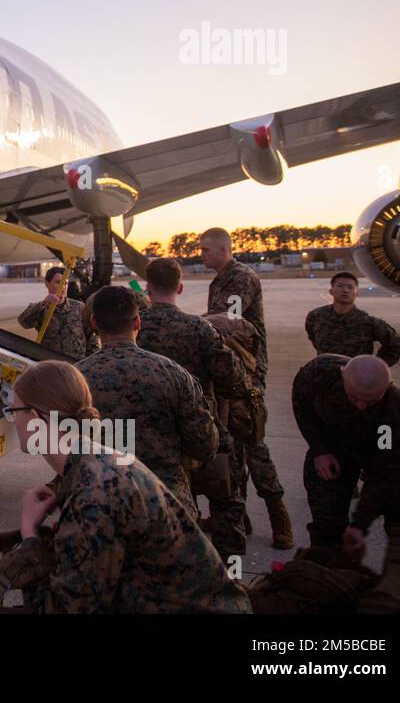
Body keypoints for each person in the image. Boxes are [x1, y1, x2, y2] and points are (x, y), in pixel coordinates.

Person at [0, 361, 250, 612]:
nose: (13, 421)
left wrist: (29, 534)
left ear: (34, 418)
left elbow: (65, 609)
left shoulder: (93, 493)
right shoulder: (99, 460)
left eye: (13, 412)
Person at [135, 258, 247, 557]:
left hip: (149, 438)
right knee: (226, 502)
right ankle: (229, 574)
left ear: (148, 288)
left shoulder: (136, 328)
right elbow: (231, 379)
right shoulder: (200, 328)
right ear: (180, 288)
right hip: (201, 432)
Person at [75, 286, 218, 518]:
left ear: (93, 323)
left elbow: (58, 446)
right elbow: (205, 444)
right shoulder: (174, 374)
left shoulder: (75, 378)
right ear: (138, 322)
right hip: (166, 505)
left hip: (99, 507)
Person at [200, 227, 293, 549]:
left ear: (223, 249)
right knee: (229, 447)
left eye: (206, 250)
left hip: (246, 374)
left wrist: (193, 324)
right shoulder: (222, 277)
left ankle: (278, 514)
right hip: (226, 371)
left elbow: (230, 321)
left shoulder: (240, 277)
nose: (202, 255)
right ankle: (238, 516)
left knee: (253, 445)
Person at [292, 353, 400, 557]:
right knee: (327, 523)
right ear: (342, 376)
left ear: (388, 387)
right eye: (354, 397)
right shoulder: (319, 374)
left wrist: (359, 525)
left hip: (381, 457)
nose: (361, 406)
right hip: (334, 448)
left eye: (371, 401)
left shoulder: (396, 412)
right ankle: (329, 568)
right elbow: (302, 406)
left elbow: (385, 472)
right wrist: (320, 450)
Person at [305, 271, 400, 365]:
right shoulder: (316, 316)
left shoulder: (368, 322)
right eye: (340, 286)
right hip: (324, 377)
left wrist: (376, 365)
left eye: (350, 287)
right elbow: (313, 337)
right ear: (331, 291)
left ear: (357, 293)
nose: (345, 290)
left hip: (355, 378)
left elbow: (395, 345)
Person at [17, 266, 91, 359]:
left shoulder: (79, 307)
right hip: (50, 362)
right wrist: (43, 304)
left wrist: (90, 358)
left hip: (75, 362)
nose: (63, 287)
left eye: (66, 283)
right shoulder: (41, 308)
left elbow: (91, 335)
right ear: (47, 284)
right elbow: (24, 322)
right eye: (58, 282)